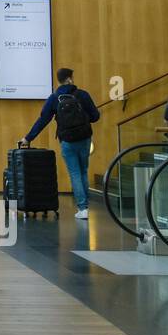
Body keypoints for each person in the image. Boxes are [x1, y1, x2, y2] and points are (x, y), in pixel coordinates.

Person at [17, 67, 101, 220]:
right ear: (69, 79)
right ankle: (85, 206)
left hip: (67, 140)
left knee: (74, 173)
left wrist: (28, 138)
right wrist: (83, 118)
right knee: (83, 171)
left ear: (59, 80)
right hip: (84, 138)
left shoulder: (54, 98)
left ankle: (82, 209)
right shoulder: (82, 95)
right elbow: (96, 117)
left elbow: (43, 120)